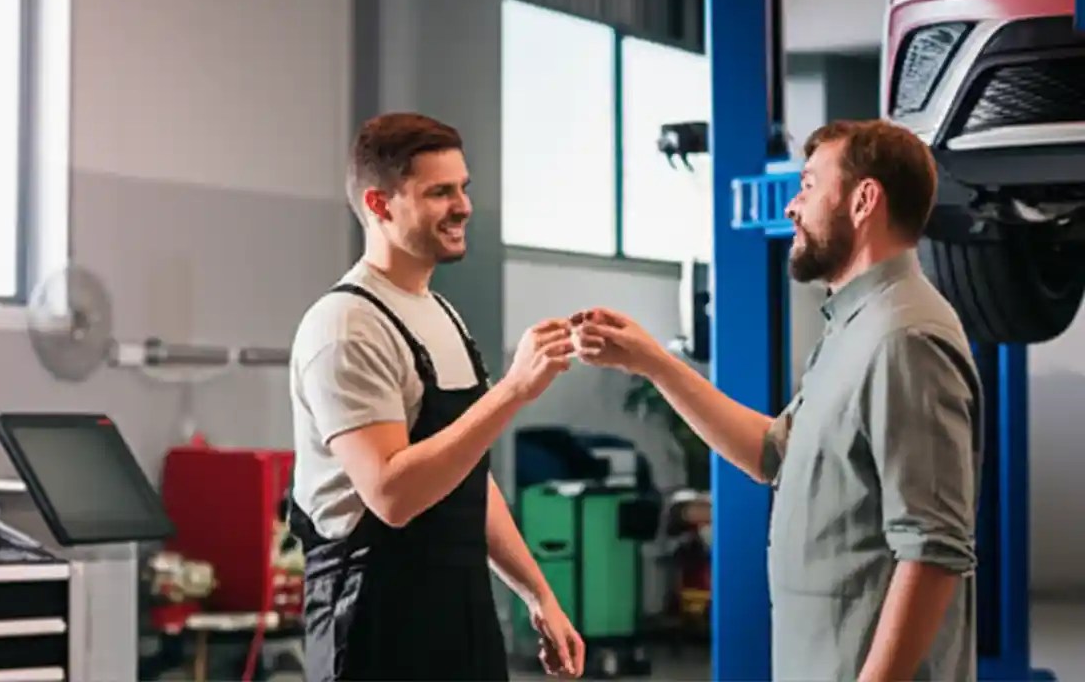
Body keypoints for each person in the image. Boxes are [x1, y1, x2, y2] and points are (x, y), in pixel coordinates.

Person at [573, 119, 982, 681]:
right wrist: (652, 362)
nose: (792, 206)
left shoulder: (904, 338)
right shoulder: (854, 327)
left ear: (864, 200)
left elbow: (932, 551)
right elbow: (771, 452)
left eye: (809, 186)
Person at [287, 111, 585, 681]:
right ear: (379, 204)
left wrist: (537, 594)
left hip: (459, 615)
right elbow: (392, 495)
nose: (463, 206)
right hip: (374, 622)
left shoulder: (442, 314)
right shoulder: (348, 325)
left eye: (463, 188)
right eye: (439, 192)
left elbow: (465, 476)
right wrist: (514, 390)